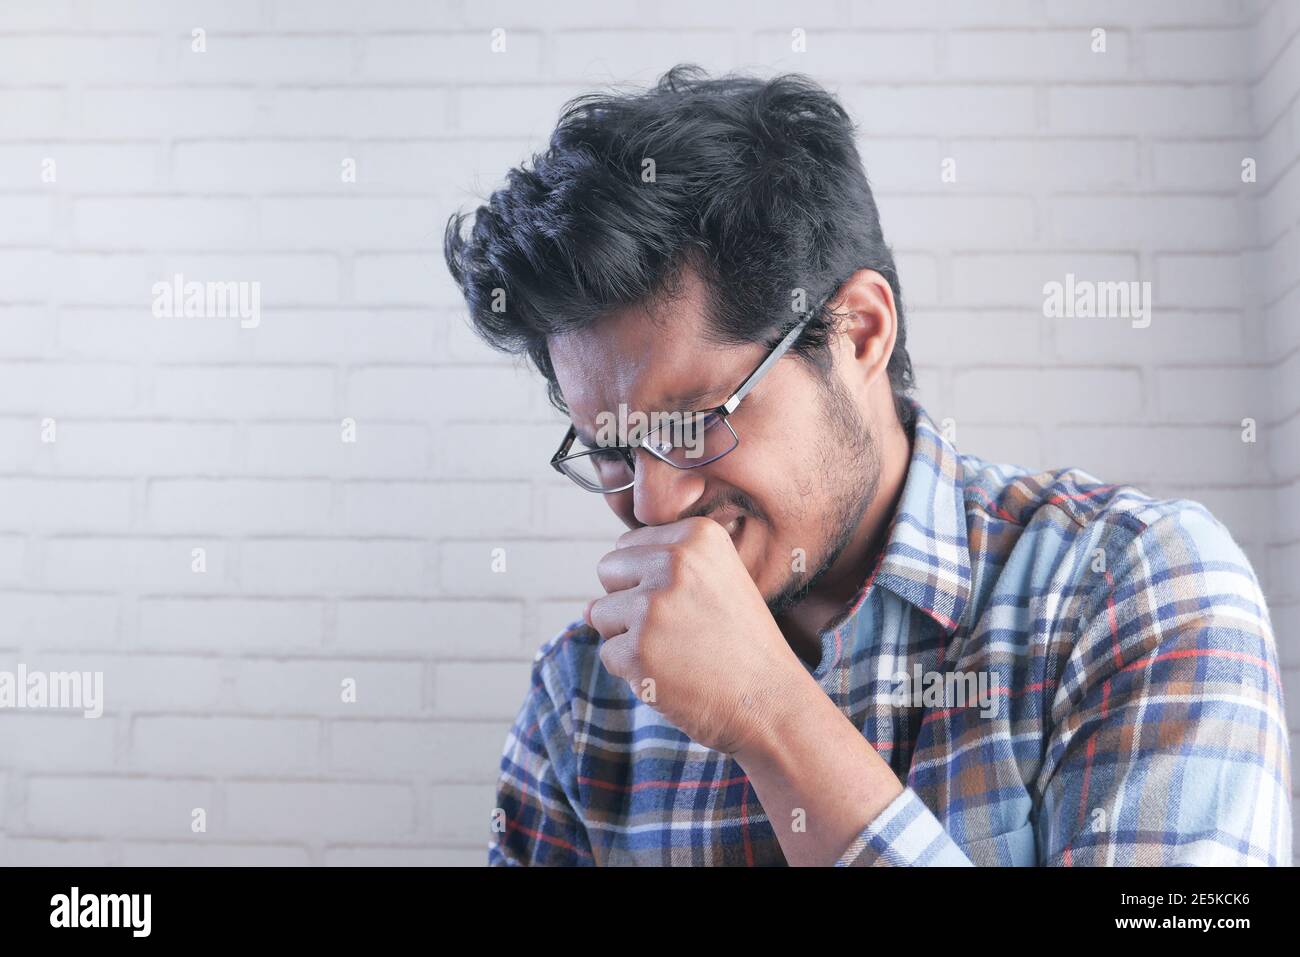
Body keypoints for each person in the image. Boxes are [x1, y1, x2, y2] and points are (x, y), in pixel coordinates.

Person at [443, 65, 1291, 866]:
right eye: (615, 445)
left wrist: (771, 716)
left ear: (859, 331)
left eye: (697, 420)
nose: (656, 500)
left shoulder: (1133, 586)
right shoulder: (584, 697)